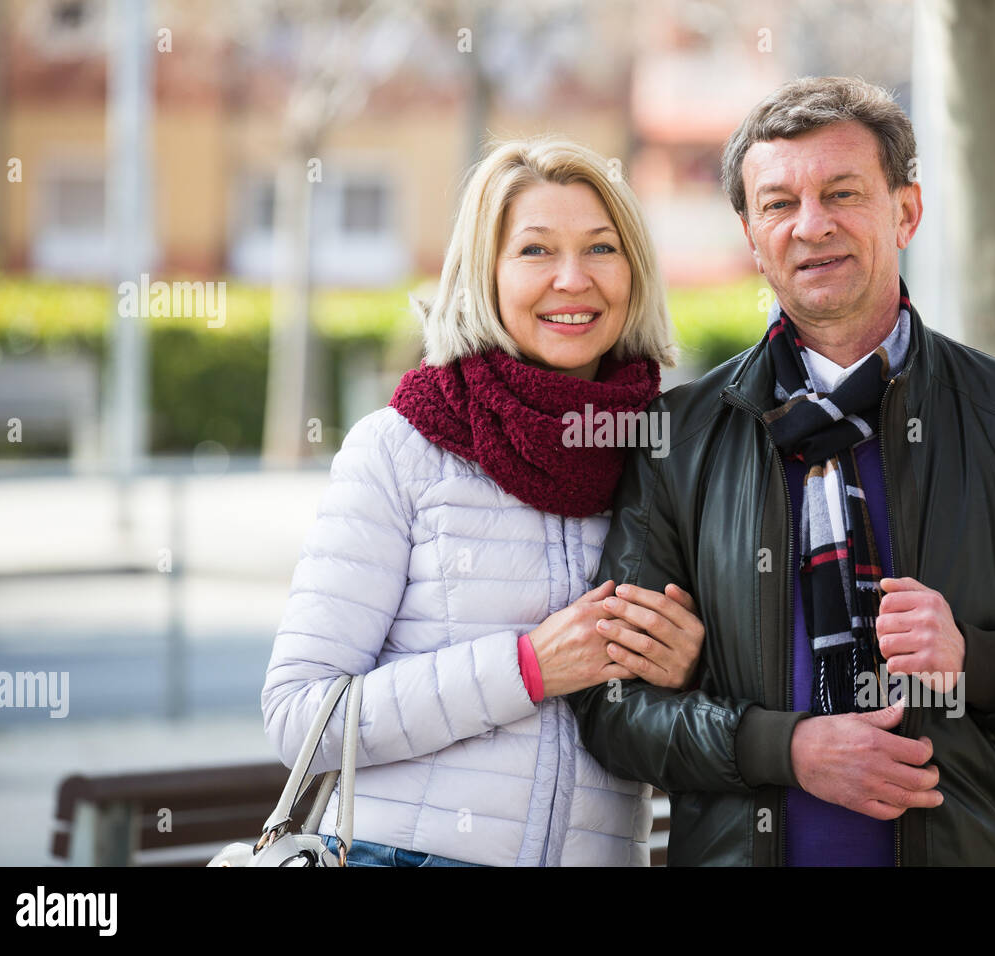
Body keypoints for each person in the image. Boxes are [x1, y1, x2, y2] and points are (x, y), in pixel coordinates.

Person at [568, 76, 995, 866]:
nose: (811, 225)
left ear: (906, 211)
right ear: (752, 235)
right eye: (779, 204)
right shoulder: (676, 438)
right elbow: (612, 711)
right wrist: (787, 749)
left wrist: (975, 658)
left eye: (842, 192)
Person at [261, 135, 705, 867]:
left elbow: (690, 729)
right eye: (534, 251)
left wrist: (690, 670)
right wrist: (527, 668)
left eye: (601, 248)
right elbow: (300, 715)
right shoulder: (401, 449)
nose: (573, 278)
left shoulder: (669, 452)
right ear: (484, 274)